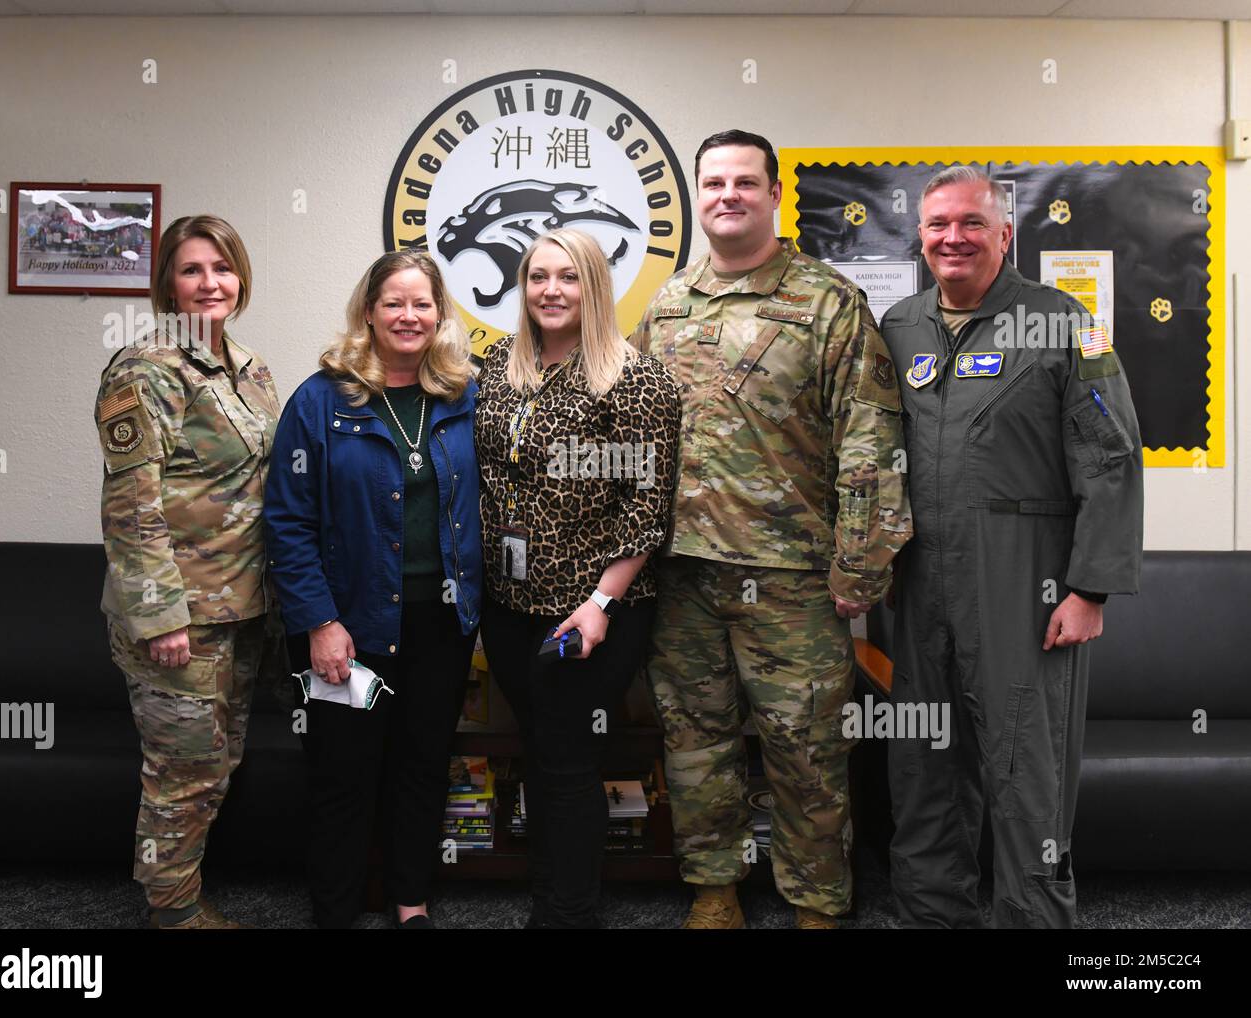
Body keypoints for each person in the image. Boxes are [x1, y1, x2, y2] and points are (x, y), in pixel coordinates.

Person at [631, 130, 912, 930]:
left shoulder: (826, 302)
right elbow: (643, 432)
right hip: (682, 571)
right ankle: (714, 887)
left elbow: (871, 441)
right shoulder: (670, 303)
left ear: (774, 194)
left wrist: (861, 567)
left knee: (807, 751)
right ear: (698, 194)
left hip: (793, 576)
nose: (728, 195)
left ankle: (817, 901)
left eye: (744, 182)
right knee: (695, 741)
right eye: (713, 181)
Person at [878, 166, 1144, 929]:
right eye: (937, 225)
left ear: (1005, 234)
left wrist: (1090, 588)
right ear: (920, 236)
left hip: (1026, 582)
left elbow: (1113, 458)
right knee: (921, 764)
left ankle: (1031, 921)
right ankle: (934, 916)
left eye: (969, 223)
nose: (951, 237)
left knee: (1026, 768)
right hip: (921, 582)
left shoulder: (1069, 324)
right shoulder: (898, 327)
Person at [265, 251, 481, 930]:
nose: (408, 316)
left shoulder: (465, 395)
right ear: (369, 312)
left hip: (440, 626)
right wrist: (318, 622)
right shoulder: (321, 400)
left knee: (422, 768)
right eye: (394, 303)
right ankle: (334, 912)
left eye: (422, 304)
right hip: (347, 628)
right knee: (342, 777)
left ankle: (411, 904)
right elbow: (287, 522)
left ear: (440, 314)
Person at [476, 228, 680, 929]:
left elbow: (648, 506)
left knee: (566, 761)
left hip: (592, 611)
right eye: (537, 277)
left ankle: (569, 914)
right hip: (509, 603)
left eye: (568, 277)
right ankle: (551, 897)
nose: (551, 291)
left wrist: (599, 603)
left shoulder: (635, 378)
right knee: (538, 752)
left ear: (595, 287)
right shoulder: (500, 363)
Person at [96, 214, 279, 929]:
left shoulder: (249, 365)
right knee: (182, 774)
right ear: (167, 284)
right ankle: (172, 913)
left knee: (216, 766)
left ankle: (181, 895)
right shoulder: (144, 370)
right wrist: (161, 617)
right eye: (192, 270)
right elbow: (131, 507)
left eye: (223, 268)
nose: (211, 283)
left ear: (241, 278)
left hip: (241, 609)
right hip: (181, 619)